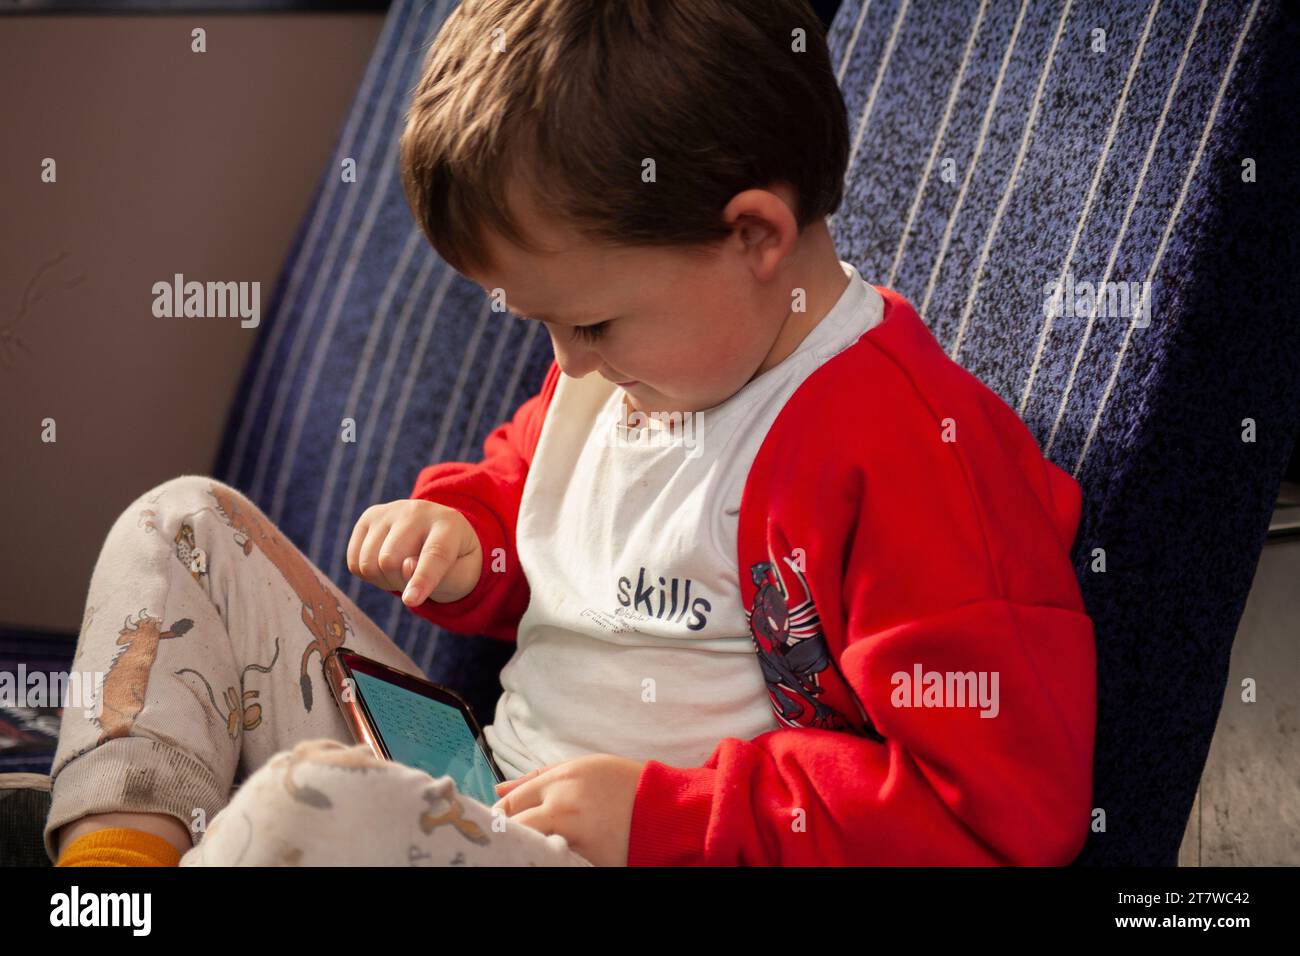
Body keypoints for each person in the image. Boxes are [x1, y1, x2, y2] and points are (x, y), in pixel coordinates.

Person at [46, 0, 1096, 867]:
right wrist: (468, 538)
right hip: (479, 792)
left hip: (648, 849)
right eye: (541, 321)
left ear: (755, 236)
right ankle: (117, 876)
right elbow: (537, 498)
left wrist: (663, 816)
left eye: (589, 321)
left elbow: (993, 817)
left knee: (308, 805)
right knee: (179, 524)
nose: (567, 361)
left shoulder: (911, 448)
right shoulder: (639, 361)